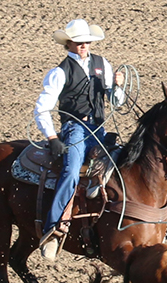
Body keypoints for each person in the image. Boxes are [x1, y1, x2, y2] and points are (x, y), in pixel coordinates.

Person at [33, 19, 125, 262]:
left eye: (87, 41)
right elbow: (42, 108)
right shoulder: (60, 72)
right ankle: (53, 229)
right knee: (71, 172)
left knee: (121, 165)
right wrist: (52, 137)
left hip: (99, 129)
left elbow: (116, 102)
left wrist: (116, 88)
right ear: (69, 44)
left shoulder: (102, 64)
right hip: (75, 128)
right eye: (79, 42)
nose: (84, 45)